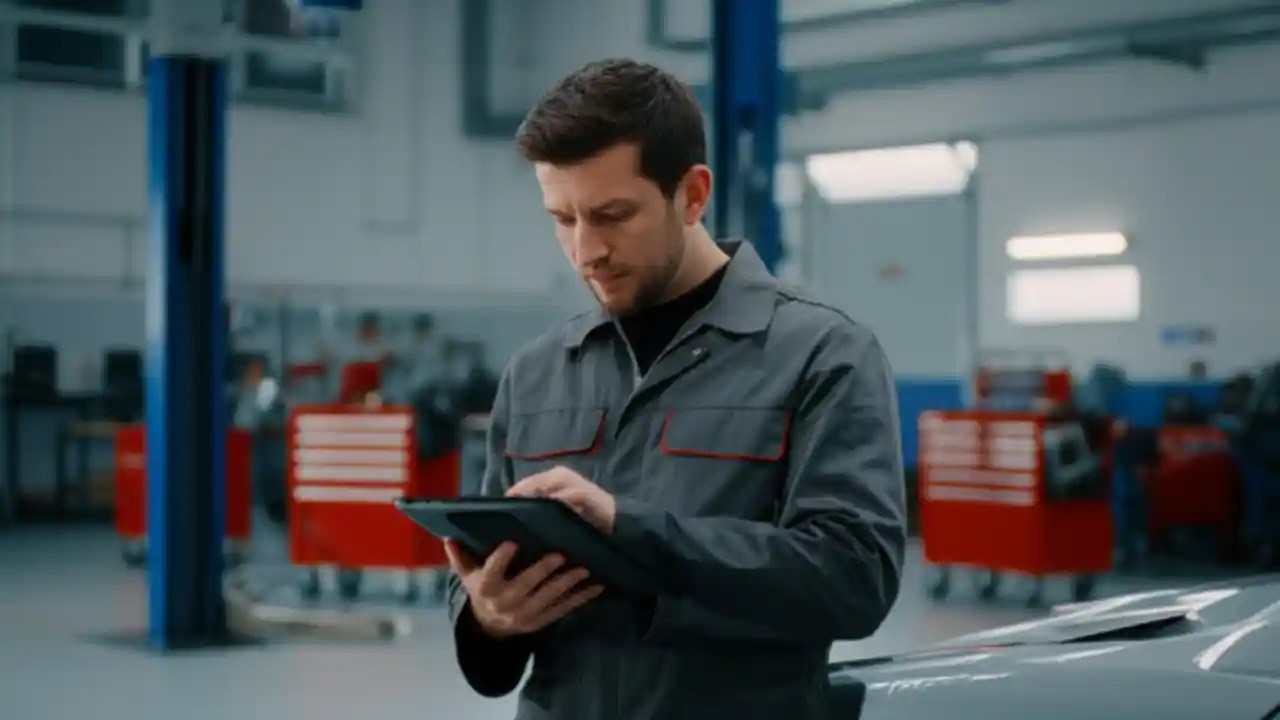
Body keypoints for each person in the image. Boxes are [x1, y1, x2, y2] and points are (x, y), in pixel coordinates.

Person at [444, 58, 906, 720]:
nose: (585, 251)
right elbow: (486, 577)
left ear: (692, 194)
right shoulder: (539, 370)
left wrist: (632, 532)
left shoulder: (822, 354)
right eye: (563, 218)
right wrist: (488, 616)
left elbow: (853, 577)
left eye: (612, 215)